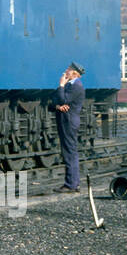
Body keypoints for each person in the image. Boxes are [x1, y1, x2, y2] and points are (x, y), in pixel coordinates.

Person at [52, 62, 85, 192]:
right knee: (69, 152)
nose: (66, 72)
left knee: (70, 152)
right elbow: (54, 99)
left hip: (69, 122)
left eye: (68, 70)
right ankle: (72, 183)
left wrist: (61, 85)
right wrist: (57, 106)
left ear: (75, 73)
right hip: (65, 120)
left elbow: (63, 99)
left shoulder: (76, 87)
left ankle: (71, 184)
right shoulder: (70, 86)